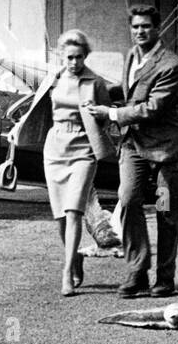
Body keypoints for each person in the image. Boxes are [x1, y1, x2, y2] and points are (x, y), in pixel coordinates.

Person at [86, 4, 178, 299]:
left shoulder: (171, 65)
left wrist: (111, 114)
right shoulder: (131, 55)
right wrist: (93, 90)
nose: (140, 31)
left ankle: (165, 278)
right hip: (133, 143)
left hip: (166, 149)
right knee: (129, 200)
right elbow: (130, 92)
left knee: (165, 210)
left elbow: (153, 107)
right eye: (135, 27)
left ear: (157, 28)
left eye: (146, 26)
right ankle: (137, 271)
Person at [11, 30, 114, 296]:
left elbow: (106, 117)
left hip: (84, 150)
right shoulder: (53, 78)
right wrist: (19, 128)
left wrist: (96, 115)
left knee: (73, 211)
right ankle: (75, 256)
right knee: (60, 217)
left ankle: (66, 272)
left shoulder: (95, 82)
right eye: (69, 57)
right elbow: (37, 108)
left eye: (79, 57)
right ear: (61, 56)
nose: (74, 62)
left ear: (85, 56)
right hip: (55, 149)